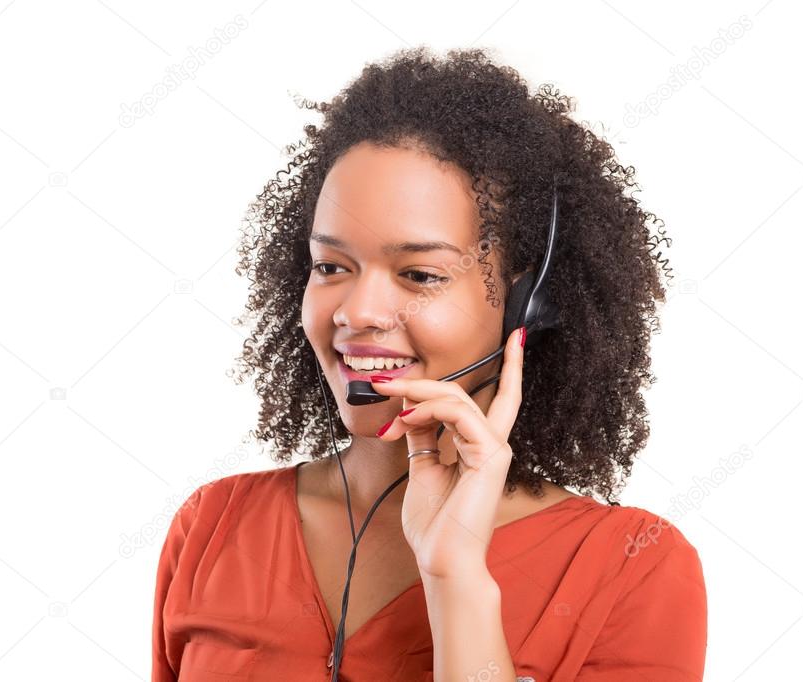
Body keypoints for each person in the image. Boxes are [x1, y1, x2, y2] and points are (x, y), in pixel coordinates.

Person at [152, 45, 706, 681]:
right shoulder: (213, 528)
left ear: (527, 304)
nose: (357, 312)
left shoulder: (631, 567)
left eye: (419, 274)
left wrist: (455, 579)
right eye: (331, 266)